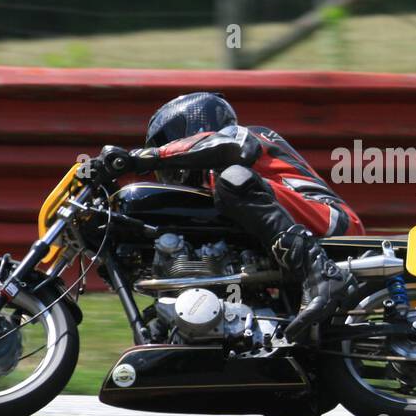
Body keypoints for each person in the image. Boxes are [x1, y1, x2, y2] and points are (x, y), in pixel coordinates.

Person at [126, 91, 365, 343]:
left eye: (168, 139)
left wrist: (149, 157)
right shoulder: (215, 188)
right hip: (292, 240)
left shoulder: (245, 136)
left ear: (196, 123)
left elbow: (224, 146)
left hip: (328, 221)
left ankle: (321, 274)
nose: (165, 147)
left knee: (233, 180)